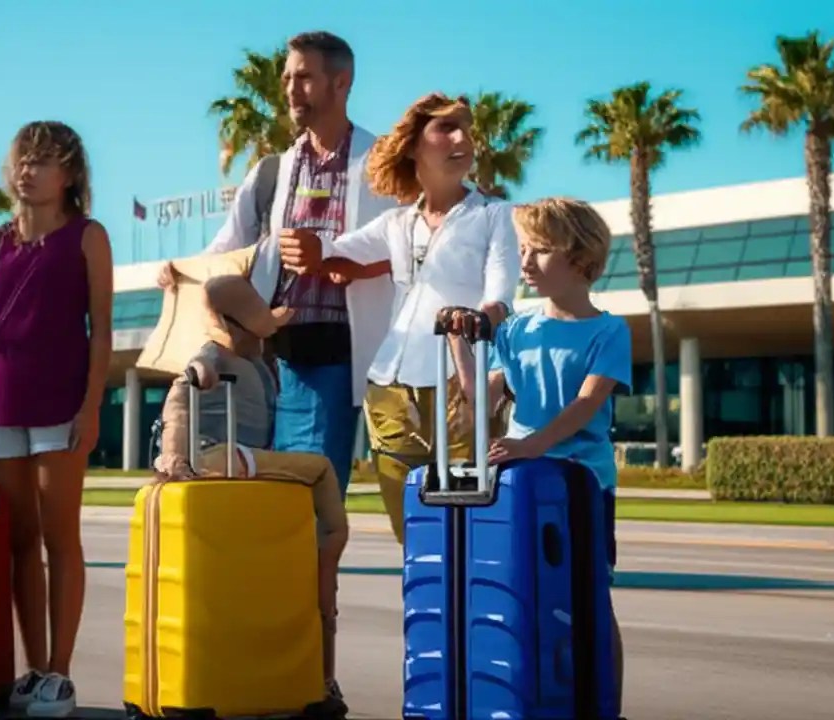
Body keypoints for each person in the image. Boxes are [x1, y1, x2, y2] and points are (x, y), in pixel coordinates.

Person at [157, 30, 398, 498]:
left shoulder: (382, 164)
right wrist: (180, 270)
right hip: (277, 360)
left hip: (352, 353)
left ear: (341, 83)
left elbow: (408, 246)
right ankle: (311, 573)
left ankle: (318, 571)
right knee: (287, 502)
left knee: (312, 498)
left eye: (305, 77)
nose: (290, 88)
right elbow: (228, 251)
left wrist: (331, 254)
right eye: (288, 76)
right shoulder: (275, 171)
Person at [278, 92, 521, 543]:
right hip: (389, 387)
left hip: (462, 387)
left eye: (466, 128)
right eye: (445, 128)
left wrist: (480, 317)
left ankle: (467, 609)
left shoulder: (493, 215)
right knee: (410, 530)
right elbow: (337, 250)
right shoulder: (397, 224)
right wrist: (309, 245)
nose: (461, 138)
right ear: (413, 146)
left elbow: (501, 294)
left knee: (471, 526)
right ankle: (426, 608)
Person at [0, 120, 113, 718]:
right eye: (23, 159)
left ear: (69, 175)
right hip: (2, 403)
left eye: (43, 161)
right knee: (19, 541)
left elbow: (102, 332)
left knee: (58, 537)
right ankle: (33, 669)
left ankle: (62, 676)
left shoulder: (88, 237)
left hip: (60, 403)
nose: (27, 170)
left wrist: (91, 406)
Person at [442, 196, 629, 711]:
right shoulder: (518, 329)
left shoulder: (608, 330)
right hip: (524, 483)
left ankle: (604, 705)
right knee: (526, 591)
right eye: (524, 249)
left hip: (582, 483)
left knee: (590, 597)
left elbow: (587, 404)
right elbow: (483, 398)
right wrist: (461, 345)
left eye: (540, 250)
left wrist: (533, 445)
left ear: (581, 261)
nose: (525, 261)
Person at [153, 274, 351, 715]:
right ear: (231, 325)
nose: (264, 342)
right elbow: (183, 394)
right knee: (318, 470)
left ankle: (318, 680)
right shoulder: (212, 354)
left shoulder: (259, 365)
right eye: (258, 331)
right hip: (219, 460)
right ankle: (333, 536)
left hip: (246, 466)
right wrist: (173, 453)